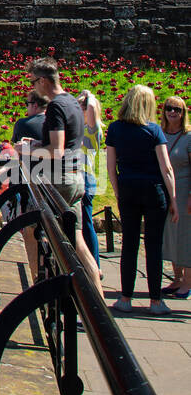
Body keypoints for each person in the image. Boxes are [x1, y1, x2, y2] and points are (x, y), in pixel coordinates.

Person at [19, 58, 104, 298]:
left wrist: (25, 150)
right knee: (76, 239)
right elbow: (65, 144)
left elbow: (56, 151)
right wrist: (36, 143)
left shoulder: (56, 106)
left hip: (60, 179)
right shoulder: (71, 102)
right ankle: (98, 297)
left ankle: (36, 292)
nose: (33, 86)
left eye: (34, 81)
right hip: (76, 177)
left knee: (30, 231)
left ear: (43, 81)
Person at [106, 84, 178, 315]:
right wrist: (174, 199)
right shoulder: (154, 130)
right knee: (153, 245)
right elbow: (166, 168)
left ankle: (125, 297)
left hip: (128, 187)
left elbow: (110, 166)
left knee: (129, 244)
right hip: (153, 189)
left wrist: (117, 192)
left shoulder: (115, 129)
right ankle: (155, 301)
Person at [161, 95, 191, 297]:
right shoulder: (160, 133)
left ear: (183, 114)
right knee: (170, 236)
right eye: (169, 108)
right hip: (165, 192)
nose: (172, 112)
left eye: (177, 109)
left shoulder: (188, 137)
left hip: (183, 191)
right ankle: (177, 278)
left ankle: (188, 283)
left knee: (185, 237)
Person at [79, 89, 104, 271]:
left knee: (86, 223)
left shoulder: (92, 130)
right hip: (76, 176)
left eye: (82, 106)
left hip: (85, 177)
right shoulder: (80, 129)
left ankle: (94, 265)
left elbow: (92, 109)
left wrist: (89, 97)